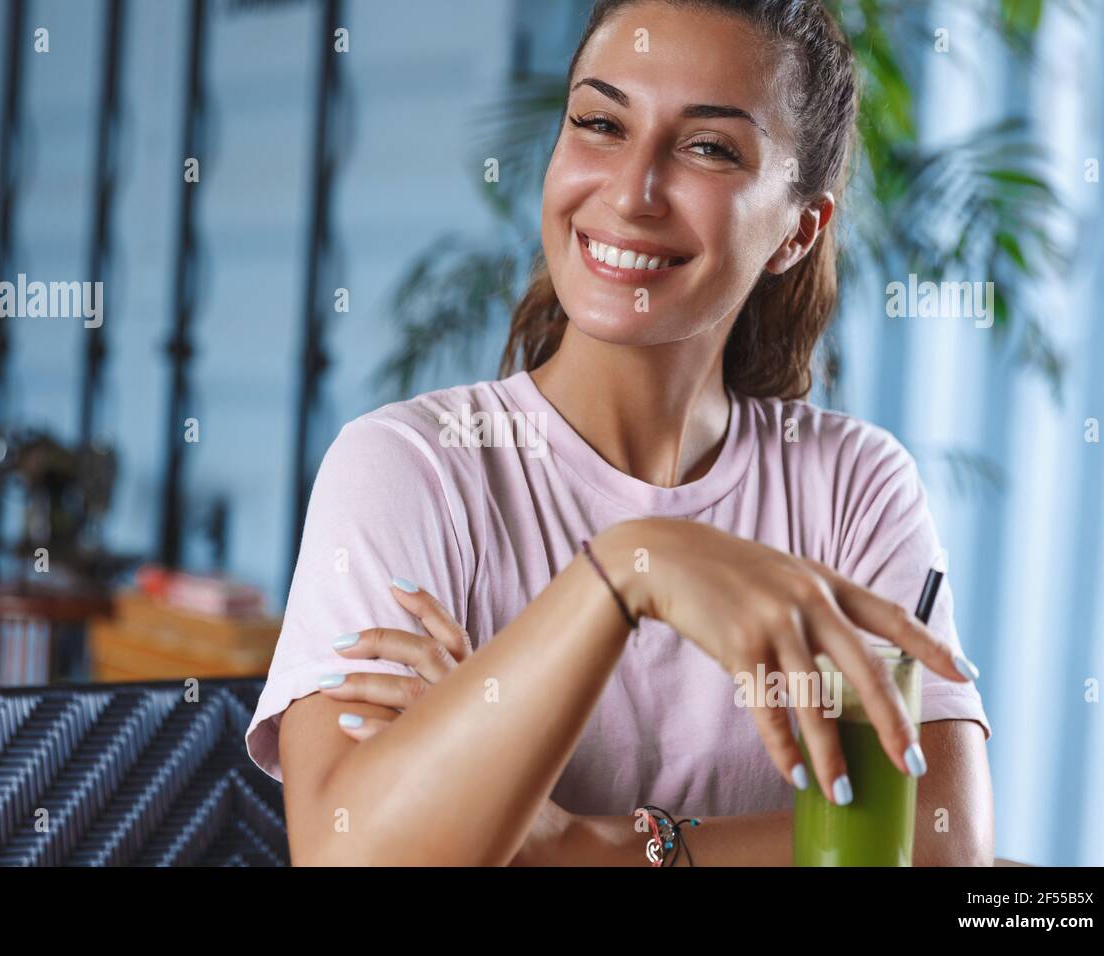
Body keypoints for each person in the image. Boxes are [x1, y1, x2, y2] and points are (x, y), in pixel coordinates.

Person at [246, 0, 993, 866]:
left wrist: (580, 847)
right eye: (601, 123)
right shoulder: (411, 470)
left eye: (708, 147)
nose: (632, 191)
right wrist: (633, 568)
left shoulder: (850, 484)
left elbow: (944, 843)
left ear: (799, 229)